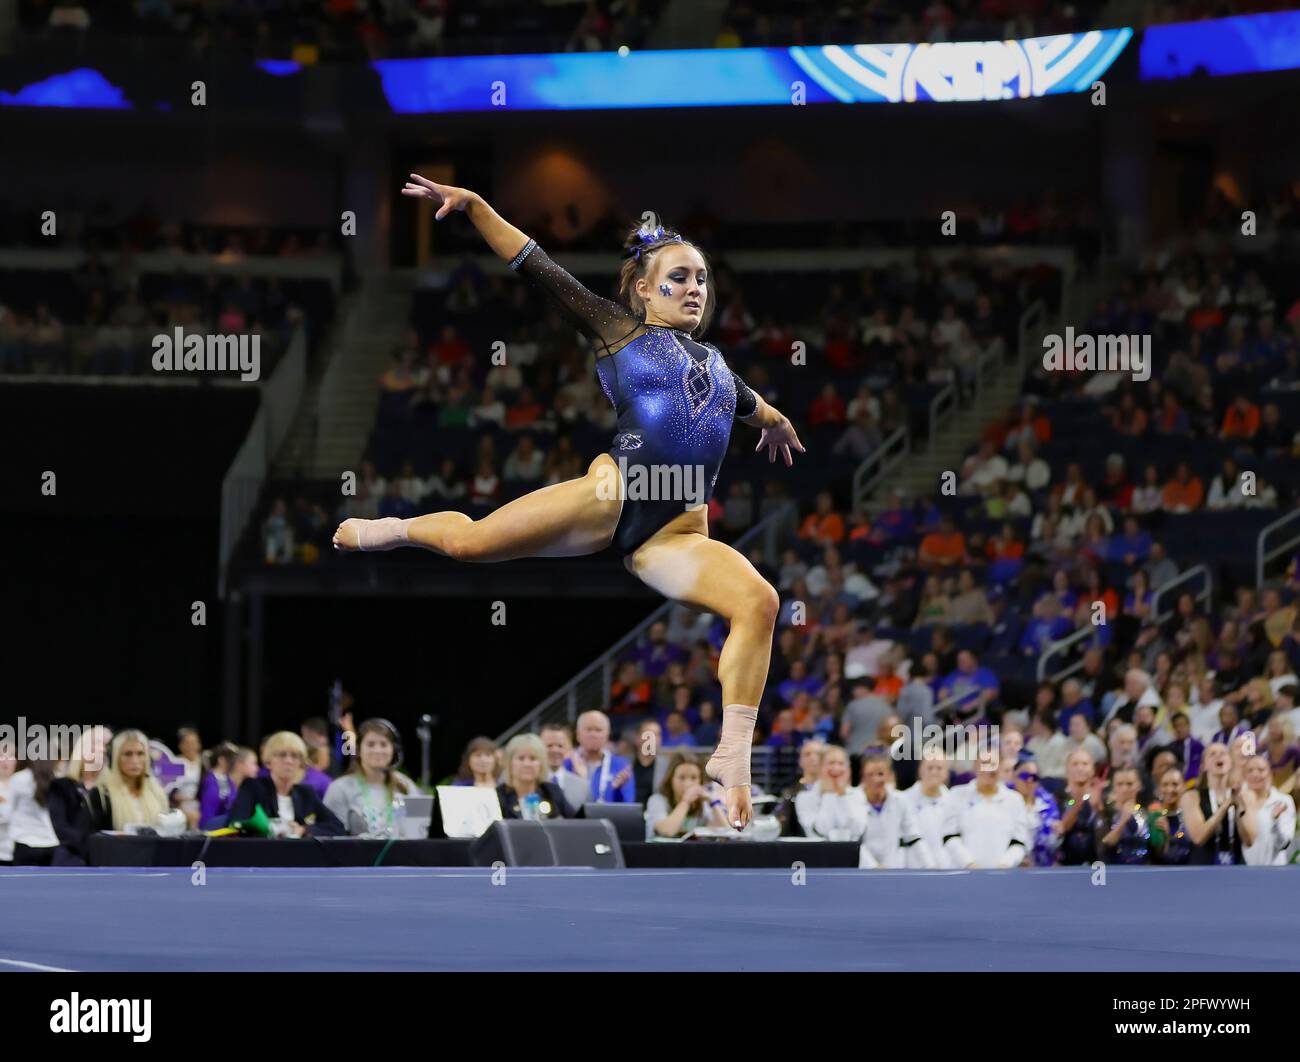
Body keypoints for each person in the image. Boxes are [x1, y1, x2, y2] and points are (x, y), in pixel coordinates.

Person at [336, 178, 806, 831]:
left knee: (759, 602)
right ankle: (395, 528)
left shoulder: (721, 366)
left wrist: (777, 423)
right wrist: (476, 207)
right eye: (678, 278)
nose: (695, 288)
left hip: (674, 532)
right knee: (471, 544)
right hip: (614, 495)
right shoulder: (620, 331)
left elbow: (753, 407)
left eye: (701, 278)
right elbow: (537, 265)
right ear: (644, 290)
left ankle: (733, 752)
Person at [228, 732, 345, 837]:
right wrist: (273, 828)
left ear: (301, 763)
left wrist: (304, 829)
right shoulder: (253, 787)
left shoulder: (306, 793)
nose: (288, 761)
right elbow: (236, 824)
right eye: (282, 755)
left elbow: (337, 827)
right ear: (268, 762)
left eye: (295, 756)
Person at [324, 719, 420, 836]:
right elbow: (330, 835)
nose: (377, 750)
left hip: (402, 848)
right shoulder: (339, 788)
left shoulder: (406, 786)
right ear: (359, 749)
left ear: (394, 750)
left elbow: (419, 832)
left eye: (384, 744)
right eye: (370, 744)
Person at [945, 751, 1029, 868]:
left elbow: (1019, 841)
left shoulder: (1015, 800)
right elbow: (949, 836)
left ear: (1001, 767)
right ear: (975, 766)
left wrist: (1006, 864)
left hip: (1002, 874)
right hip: (964, 873)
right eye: (983, 763)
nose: (988, 769)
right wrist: (969, 864)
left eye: (993, 764)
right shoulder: (957, 794)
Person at [47, 726, 113, 863]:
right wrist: (90, 846)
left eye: (106, 746)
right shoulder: (61, 786)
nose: (101, 750)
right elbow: (61, 827)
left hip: (107, 857)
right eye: (95, 745)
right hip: (71, 858)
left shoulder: (112, 791)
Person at [97, 730, 184, 834]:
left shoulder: (157, 793)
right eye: (128, 754)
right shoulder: (100, 796)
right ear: (114, 758)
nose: (135, 760)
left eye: (140, 754)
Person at [1178, 742, 1245, 865]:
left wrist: (1241, 806)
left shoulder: (1241, 795)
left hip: (1236, 867)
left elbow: (1250, 840)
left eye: (1223, 753)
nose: (1218, 756)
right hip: (1203, 868)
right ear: (1204, 765)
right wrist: (1225, 806)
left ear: (1231, 762)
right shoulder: (1192, 797)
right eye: (1212, 754)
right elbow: (1198, 837)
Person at [644, 749, 727, 838]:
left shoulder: (703, 804)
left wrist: (713, 801)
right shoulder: (657, 800)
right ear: (671, 779)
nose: (688, 784)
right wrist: (685, 801)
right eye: (682, 777)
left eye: (693, 778)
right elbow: (667, 831)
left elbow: (725, 831)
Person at [856, 753, 918, 869]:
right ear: (862, 777)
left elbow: (913, 836)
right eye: (870, 774)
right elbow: (854, 841)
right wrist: (874, 866)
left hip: (893, 870)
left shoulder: (901, 800)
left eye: (880, 774)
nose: (875, 779)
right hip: (863, 871)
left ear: (889, 775)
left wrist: (930, 865)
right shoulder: (852, 801)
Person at [794, 745, 868, 841]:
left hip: (852, 849)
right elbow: (821, 830)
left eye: (841, 763)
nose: (836, 768)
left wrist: (842, 795)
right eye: (831, 763)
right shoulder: (804, 798)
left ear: (848, 769)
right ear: (820, 767)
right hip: (819, 850)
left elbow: (857, 829)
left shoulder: (857, 794)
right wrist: (829, 793)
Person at [497, 733, 574, 822]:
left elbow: (576, 823)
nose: (527, 764)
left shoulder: (552, 792)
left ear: (542, 764)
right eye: (521, 758)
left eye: (533, 758)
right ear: (509, 763)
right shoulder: (497, 797)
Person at [565, 711, 635, 803]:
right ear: (578, 734)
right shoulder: (566, 763)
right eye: (588, 729)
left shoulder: (621, 765)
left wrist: (617, 791)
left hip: (608, 812)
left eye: (598, 730)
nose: (593, 734)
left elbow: (628, 805)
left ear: (607, 735)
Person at [1239, 754, 1296, 866]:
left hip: (1275, 870)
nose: (1255, 774)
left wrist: (1275, 820)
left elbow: (1283, 844)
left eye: (1261, 770)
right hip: (1244, 870)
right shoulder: (1239, 800)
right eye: (1250, 770)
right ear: (1244, 775)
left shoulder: (1283, 801)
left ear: (1270, 773)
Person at [539, 722, 594, 811]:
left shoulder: (584, 786)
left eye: (560, 746)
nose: (555, 750)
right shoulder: (529, 783)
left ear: (570, 748)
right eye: (549, 745)